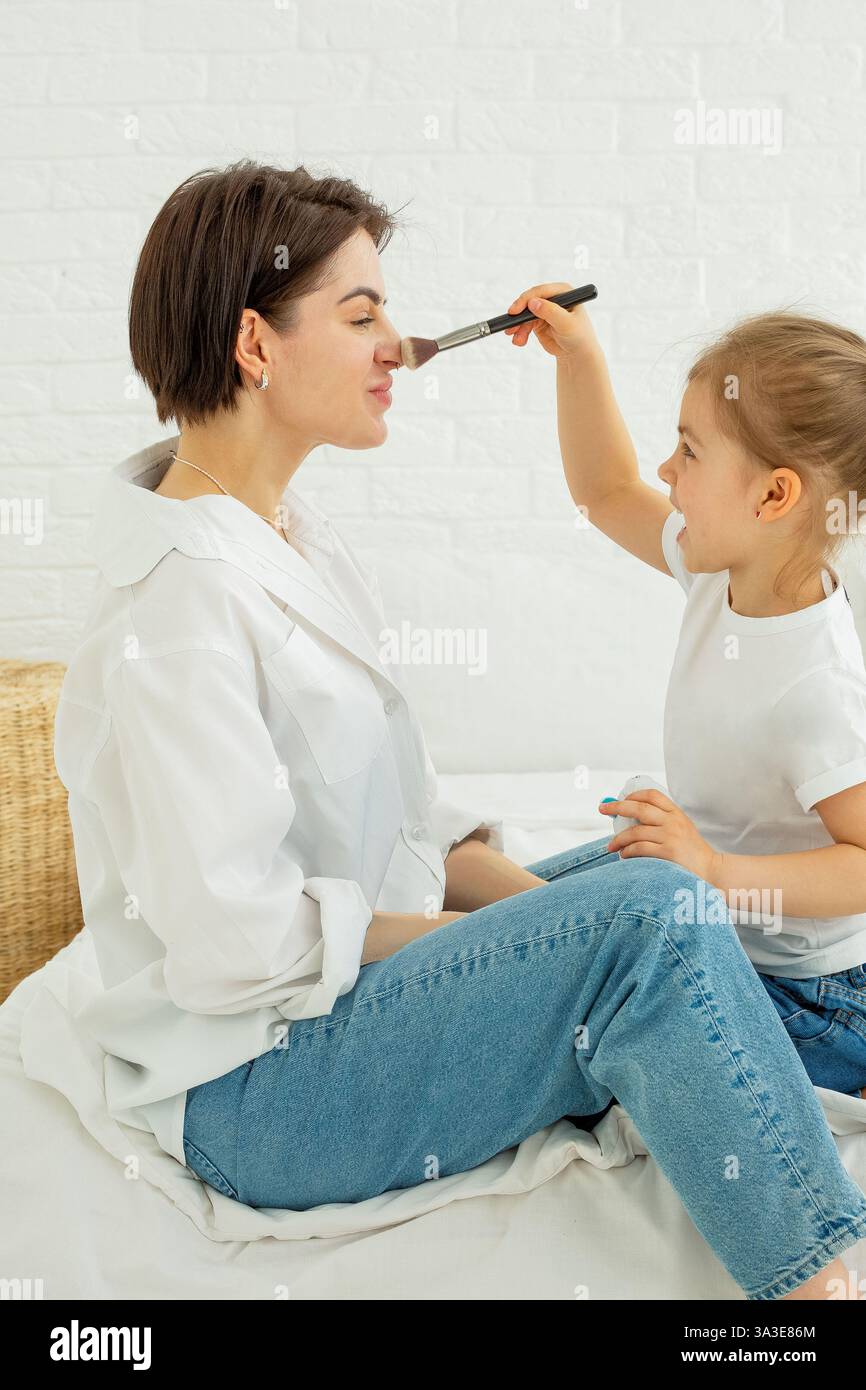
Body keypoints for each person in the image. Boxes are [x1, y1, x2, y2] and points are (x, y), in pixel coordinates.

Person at [49, 161, 866, 1300]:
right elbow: (240, 949)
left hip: (323, 1012)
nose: (397, 341)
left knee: (632, 879)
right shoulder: (180, 607)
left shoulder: (284, 535)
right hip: (262, 1092)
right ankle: (817, 1282)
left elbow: (397, 812)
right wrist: (566, 936)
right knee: (655, 905)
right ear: (253, 346)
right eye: (361, 313)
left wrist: (553, 920)